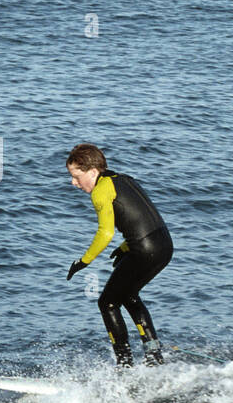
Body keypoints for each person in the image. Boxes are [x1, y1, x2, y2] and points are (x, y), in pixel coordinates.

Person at [65, 143, 173, 368]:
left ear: (93, 172)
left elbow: (105, 233)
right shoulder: (122, 179)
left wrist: (83, 261)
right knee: (129, 294)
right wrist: (125, 247)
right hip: (163, 244)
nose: (73, 182)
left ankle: (124, 365)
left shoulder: (100, 192)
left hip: (144, 249)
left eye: (76, 176)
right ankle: (153, 355)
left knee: (108, 302)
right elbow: (142, 217)